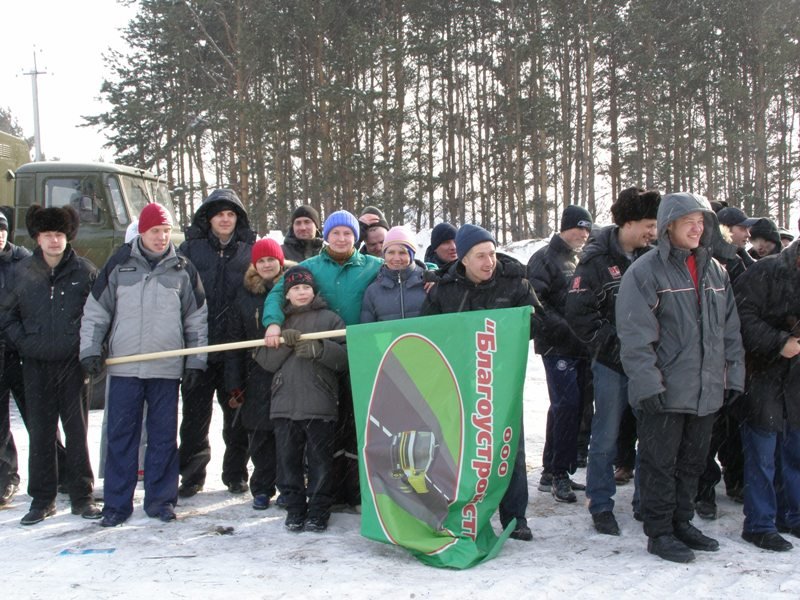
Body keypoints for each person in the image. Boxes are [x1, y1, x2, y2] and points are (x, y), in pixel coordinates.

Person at [616, 192, 745, 563]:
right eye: (688, 220)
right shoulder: (645, 272)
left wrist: (732, 377)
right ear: (668, 224)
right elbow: (635, 335)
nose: (696, 227)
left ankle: (682, 521)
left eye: (701, 221)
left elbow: (730, 331)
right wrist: (647, 384)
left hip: (705, 390)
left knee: (693, 462)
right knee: (659, 463)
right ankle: (659, 531)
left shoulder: (716, 271)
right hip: (665, 389)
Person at [80, 203, 208, 527]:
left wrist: (195, 362)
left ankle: (161, 501)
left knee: (163, 438)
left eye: (166, 231)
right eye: (155, 231)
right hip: (125, 368)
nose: (162, 237)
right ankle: (117, 504)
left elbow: (196, 320)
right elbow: (97, 311)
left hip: (165, 370)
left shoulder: (182, 269)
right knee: (121, 437)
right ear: (142, 232)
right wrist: (90, 350)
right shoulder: (119, 264)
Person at [421, 224, 544, 542]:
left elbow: (538, 322)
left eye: (491, 253)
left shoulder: (515, 282)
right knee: (460, 449)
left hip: (500, 379)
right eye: (480, 256)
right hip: (459, 380)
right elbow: (427, 333)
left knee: (507, 447)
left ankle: (516, 517)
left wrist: (522, 322)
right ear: (463, 259)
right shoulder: (444, 289)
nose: (489, 262)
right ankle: (460, 511)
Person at [263, 210, 382, 508]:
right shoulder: (310, 267)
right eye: (335, 233)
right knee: (327, 427)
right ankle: (325, 490)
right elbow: (278, 294)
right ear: (325, 236)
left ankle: (356, 489)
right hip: (319, 359)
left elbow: (407, 269)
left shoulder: (372, 266)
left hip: (359, 354)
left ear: (356, 237)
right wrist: (274, 322)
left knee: (358, 424)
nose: (341, 238)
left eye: (347, 233)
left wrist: (432, 277)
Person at [565, 187, 660, 535]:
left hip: (651, 364)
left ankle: (645, 502)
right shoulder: (595, 262)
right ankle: (601, 503)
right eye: (649, 224)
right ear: (629, 223)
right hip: (612, 364)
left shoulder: (656, 256)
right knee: (605, 435)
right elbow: (579, 315)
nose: (654, 231)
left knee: (651, 435)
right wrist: (618, 348)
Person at [0, 205, 100, 525]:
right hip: (36, 366)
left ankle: (82, 495)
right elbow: (8, 316)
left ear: (67, 237)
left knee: (76, 431)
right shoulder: (22, 273)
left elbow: (97, 317)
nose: (54, 241)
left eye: (59, 235)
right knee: (41, 434)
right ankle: (42, 499)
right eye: (47, 235)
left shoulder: (84, 272)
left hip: (72, 367)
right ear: (37, 238)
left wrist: (85, 348)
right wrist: (25, 343)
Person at [178, 189, 256, 498]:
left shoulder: (248, 251)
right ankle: (192, 475)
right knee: (195, 418)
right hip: (198, 347)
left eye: (231, 214)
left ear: (238, 219)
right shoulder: (190, 250)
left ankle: (236, 473)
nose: (225, 219)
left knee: (236, 416)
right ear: (208, 218)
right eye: (219, 214)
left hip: (235, 350)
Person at [260, 266, 347, 532]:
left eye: (306, 287)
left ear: (314, 291)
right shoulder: (278, 324)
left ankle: (319, 510)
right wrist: (284, 344)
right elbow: (265, 362)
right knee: (288, 463)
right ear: (286, 294)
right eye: (295, 288)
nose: (301, 292)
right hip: (284, 405)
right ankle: (295, 509)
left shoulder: (330, 319)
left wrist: (320, 350)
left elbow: (345, 359)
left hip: (320, 405)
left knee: (320, 462)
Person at [734, 236, 800, 552]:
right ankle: (759, 524)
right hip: (761, 373)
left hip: (796, 379)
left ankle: (792, 515)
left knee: (794, 451)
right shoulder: (765, 272)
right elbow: (741, 318)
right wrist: (779, 341)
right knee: (762, 452)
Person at [527, 205, 593, 503]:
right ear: (565, 227)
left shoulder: (580, 258)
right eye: (578, 228)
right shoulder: (544, 258)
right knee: (566, 406)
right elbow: (536, 302)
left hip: (580, 346)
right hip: (557, 345)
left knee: (571, 408)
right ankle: (558, 474)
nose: (583, 233)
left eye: (587, 229)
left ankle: (553, 469)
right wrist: (567, 329)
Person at [225, 238, 290, 510]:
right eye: (261, 260)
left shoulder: (292, 288)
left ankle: (288, 486)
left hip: (287, 370)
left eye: (270, 260)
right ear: (254, 264)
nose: (266, 265)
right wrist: (234, 383)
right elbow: (233, 342)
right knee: (260, 435)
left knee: (287, 434)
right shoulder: (243, 295)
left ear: (280, 262)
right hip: (255, 374)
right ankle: (262, 487)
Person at [0, 211, 36, 506]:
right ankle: (6, 478)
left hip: (20, 352)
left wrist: (25, 340)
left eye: (2, 230)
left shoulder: (23, 260)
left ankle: (58, 472)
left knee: (37, 417)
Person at [360, 226, 428, 323]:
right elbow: (367, 329)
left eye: (402, 253)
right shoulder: (373, 291)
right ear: (384, 255)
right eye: (391, 252)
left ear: (411, 255)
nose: (396, 258)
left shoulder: (427, 283)